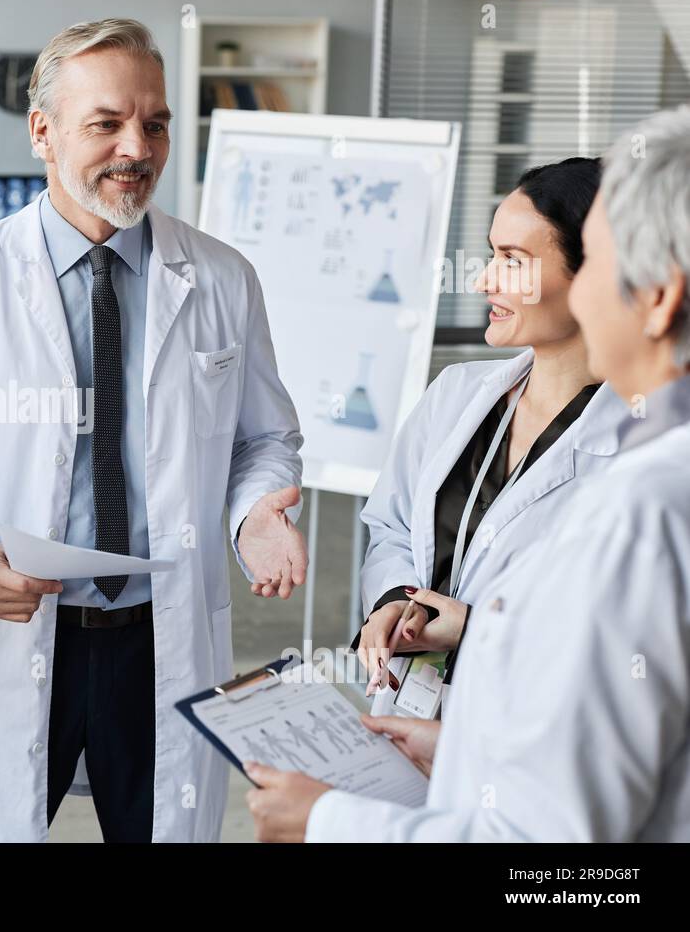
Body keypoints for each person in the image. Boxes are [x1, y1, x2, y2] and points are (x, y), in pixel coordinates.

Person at [0, 18, 306, 843]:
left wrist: (253, 516)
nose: (137, 146)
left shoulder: (222, 279)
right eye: (106, 123)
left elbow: (265, 439)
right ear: (43, 131)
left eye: (156, 122)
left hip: (160, 634)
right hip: (18, 625)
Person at [246, 105, 690, 842]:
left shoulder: (644, 502)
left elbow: (546, 857)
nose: (487, 278)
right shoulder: (470, 399)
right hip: (436, 730)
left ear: (658, 294)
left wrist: (323, 820)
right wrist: (458, 750)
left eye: (600, 266)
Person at [353, 157, 626, 696]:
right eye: (490, 254)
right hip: (411, 708)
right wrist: (393, 601)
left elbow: (626, 640)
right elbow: (392, 528)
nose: (482, 280)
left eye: (513, 260)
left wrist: (477, 631)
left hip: (534, 733)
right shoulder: (457, 393)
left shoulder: (644, 444)